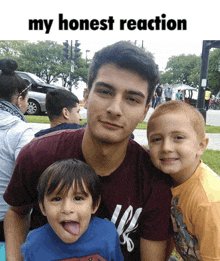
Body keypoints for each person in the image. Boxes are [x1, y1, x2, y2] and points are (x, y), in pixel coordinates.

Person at [4, 41, 172, 261]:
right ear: (86, 96)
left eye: (132, 99)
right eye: (105, 92)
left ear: (145, 111)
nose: (114, 109)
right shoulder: (38, 155)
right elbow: (16, 212)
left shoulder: (154, 176)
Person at [147, 100, 220, 260]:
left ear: (201, 145)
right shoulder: (168, 181)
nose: (166, 147)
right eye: (156, 139)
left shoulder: (208, 202)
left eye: (178, 137)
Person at [21, 158, 124, 261]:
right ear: (43, 207)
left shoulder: (107, 233)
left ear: (94, 204)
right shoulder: (34, 243)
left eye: (78, 198)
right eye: (57, 199)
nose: (67, 209)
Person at [0, 59, 34, 242]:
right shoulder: (21, 130)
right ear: (19, 99)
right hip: (7, 222)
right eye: (27, 100)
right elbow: (29, 178)